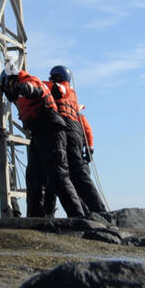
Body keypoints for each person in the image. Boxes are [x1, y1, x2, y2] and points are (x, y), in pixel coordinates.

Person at [0, 68, 85, 219]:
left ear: (11, 80)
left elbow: (35, 88)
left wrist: (23, 88)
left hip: (51, 130)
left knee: (59, 175)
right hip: (39, 133)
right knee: (34, 178)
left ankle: (77, 217)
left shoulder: (28, 81)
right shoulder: (19, 92)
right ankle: (35, 217)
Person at [46, 65, 106, 216]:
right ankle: (90, 212)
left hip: (67, 130)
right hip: (76, 134)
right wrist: (90, 147)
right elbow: (87, 127)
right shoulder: (73, 97)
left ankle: (97, 211)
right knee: (72, 175)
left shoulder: (59, 88)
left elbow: (43, 87)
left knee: (72, 173)